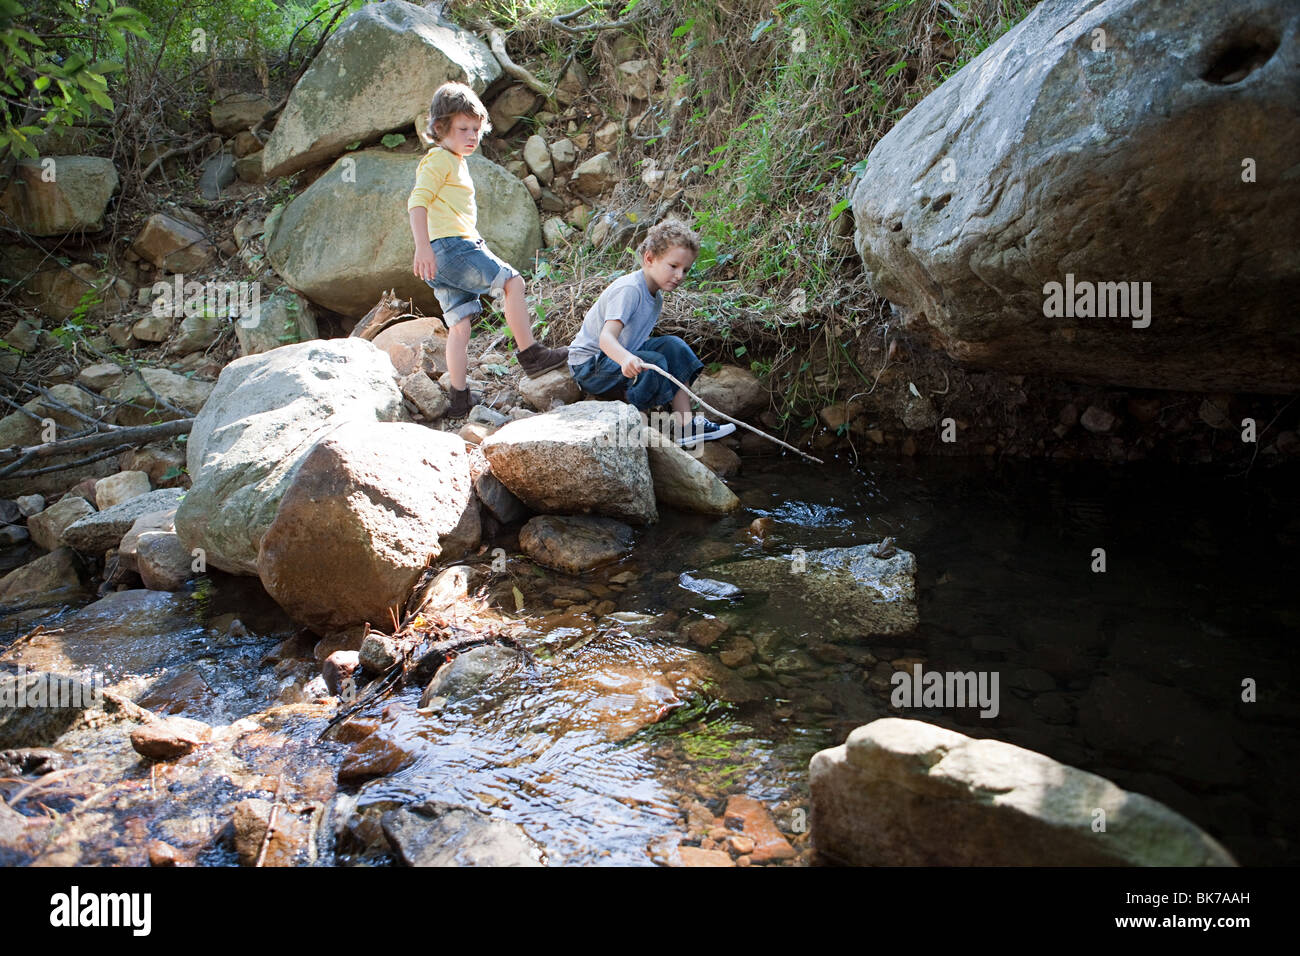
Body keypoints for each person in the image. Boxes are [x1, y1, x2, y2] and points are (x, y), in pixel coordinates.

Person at [408, 81, 567, 418]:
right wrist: (422, 247)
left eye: (477, 129)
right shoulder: (439, 160)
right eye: (463, 128)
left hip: (444, 255)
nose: (472, 136)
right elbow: (417, 201)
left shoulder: (452, 160)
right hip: (450, 247)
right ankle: (531, 355)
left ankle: (460, 398)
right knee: (512, 283)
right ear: (440, 128)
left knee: (460, 325)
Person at [568, 218, 736, 446]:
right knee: (653, 363)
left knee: (674, 347)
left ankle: (686, 426)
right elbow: (606, 339)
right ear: (649, 259)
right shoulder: (630, 290)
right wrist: (627, 358)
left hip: (616, 358)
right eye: (673, 266)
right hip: (590, 365)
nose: (680, 276)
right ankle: (637, 423)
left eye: (685, 270)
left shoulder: (655, 297)